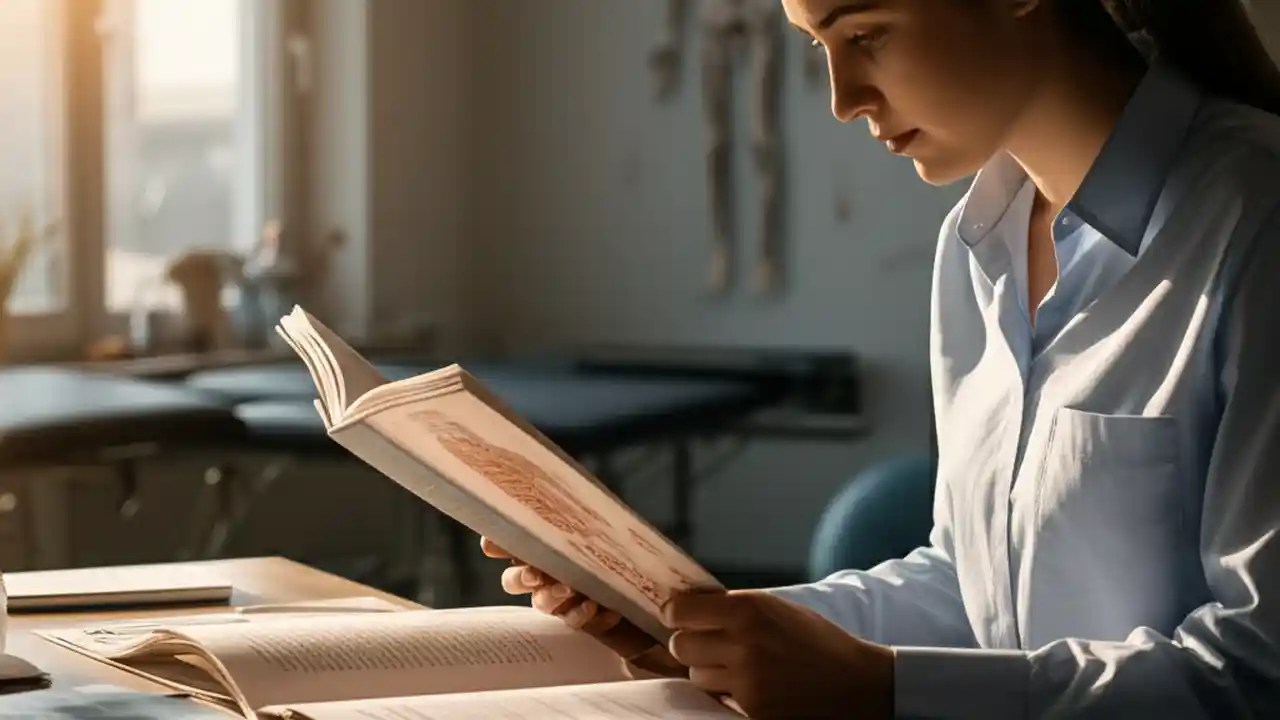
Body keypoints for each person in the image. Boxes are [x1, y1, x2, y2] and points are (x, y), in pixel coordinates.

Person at [483, 0, 1280, 716]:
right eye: (818, 46)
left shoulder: (1254, 223)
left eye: (865, 35)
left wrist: (886, 691)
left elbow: (1259, 670)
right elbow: (975, 590)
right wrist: (689, 631)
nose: (842, 99)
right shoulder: (978, 244)